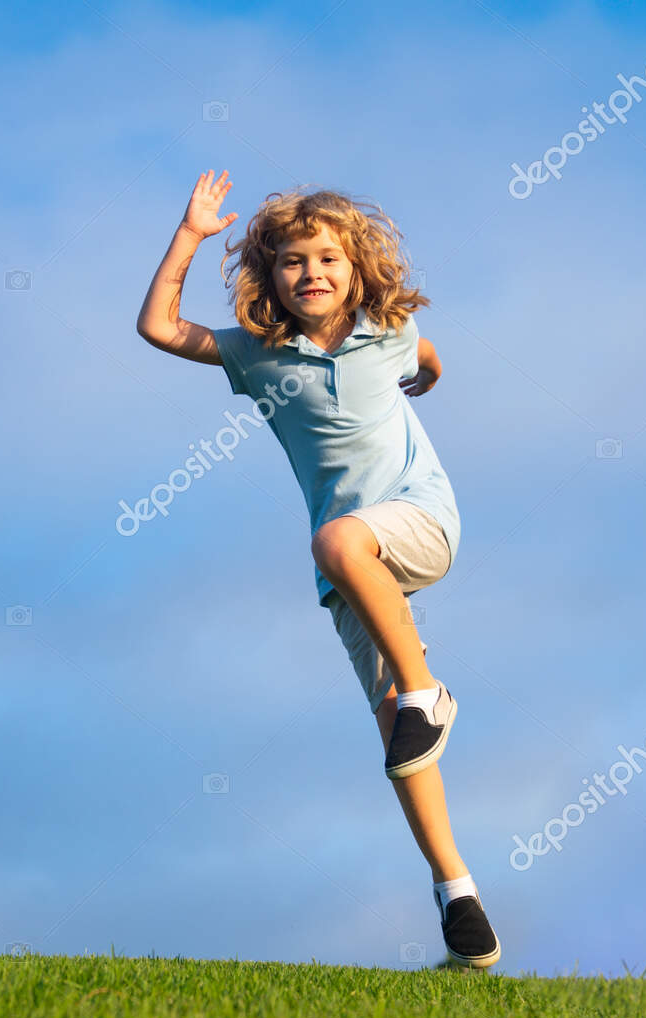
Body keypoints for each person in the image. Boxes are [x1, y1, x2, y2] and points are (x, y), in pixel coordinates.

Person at [134, 170, 500, 968]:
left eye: (328, 258)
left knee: (337, 540)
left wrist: (428, 378)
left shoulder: (388, 334)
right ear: (271, 279)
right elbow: (158, 327)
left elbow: (428, 352)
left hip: (420, 522)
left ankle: (428, 692)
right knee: (400, 745)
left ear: (357, 268)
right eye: (294, 262)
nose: (313, 274)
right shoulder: (258, 358)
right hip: (351, 576)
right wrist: (192, 234)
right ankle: (458, 894)